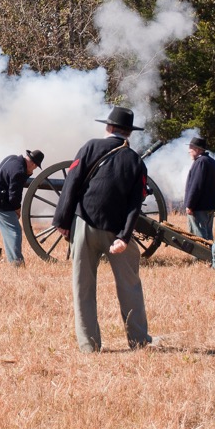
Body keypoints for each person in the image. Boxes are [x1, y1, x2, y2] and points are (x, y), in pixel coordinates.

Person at [51, 106, 151, 353]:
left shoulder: (90, 147)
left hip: (84, 223)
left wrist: (63, 222)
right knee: (130, 286)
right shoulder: (135, 160)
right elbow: (134, 204)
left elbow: (71, 184)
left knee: (82, 287)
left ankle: (89, 345)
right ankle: (138, 341)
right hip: (117, 230)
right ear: (129, 132)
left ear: (108, 127)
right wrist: (124, 237)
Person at [183, 136, 215, 240]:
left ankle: (202, 256)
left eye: (191, 148)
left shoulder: (200, 162)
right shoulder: (211, 162)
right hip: (209, 205)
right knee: (208, 235)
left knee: (199, 236)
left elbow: (196, 185)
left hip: (199, 206)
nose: (189, 151)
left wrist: (190, 204)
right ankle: (210, 255)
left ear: (197, 149)